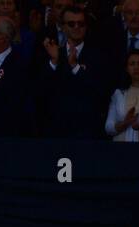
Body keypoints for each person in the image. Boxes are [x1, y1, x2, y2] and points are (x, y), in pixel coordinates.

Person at [38, 7, 106, 139]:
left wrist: (75, 67)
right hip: (55, 131)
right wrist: (54, 62)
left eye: (81, 24)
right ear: (62, 27)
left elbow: (99, 92)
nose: (77, 27)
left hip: (87, 132)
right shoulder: (52, 53)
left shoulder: (99, 56)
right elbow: (41, 92)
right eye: (71, 24)